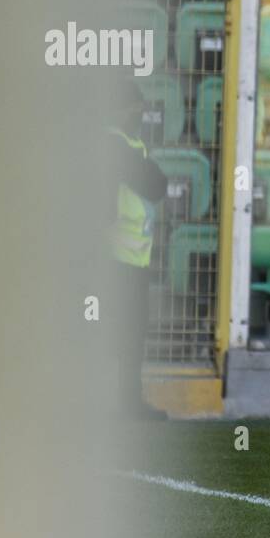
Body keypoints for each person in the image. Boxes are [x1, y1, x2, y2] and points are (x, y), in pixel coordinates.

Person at [107, 84, 168, 419]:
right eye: (135, 109)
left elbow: (155, 183)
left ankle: (129, 402)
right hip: (113, 257)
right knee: (121, 335)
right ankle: (125, 404)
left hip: (130, 257)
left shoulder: (130, 145)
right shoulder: (114, 143)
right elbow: (155, 184)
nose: (140, 116)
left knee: (130, 336)